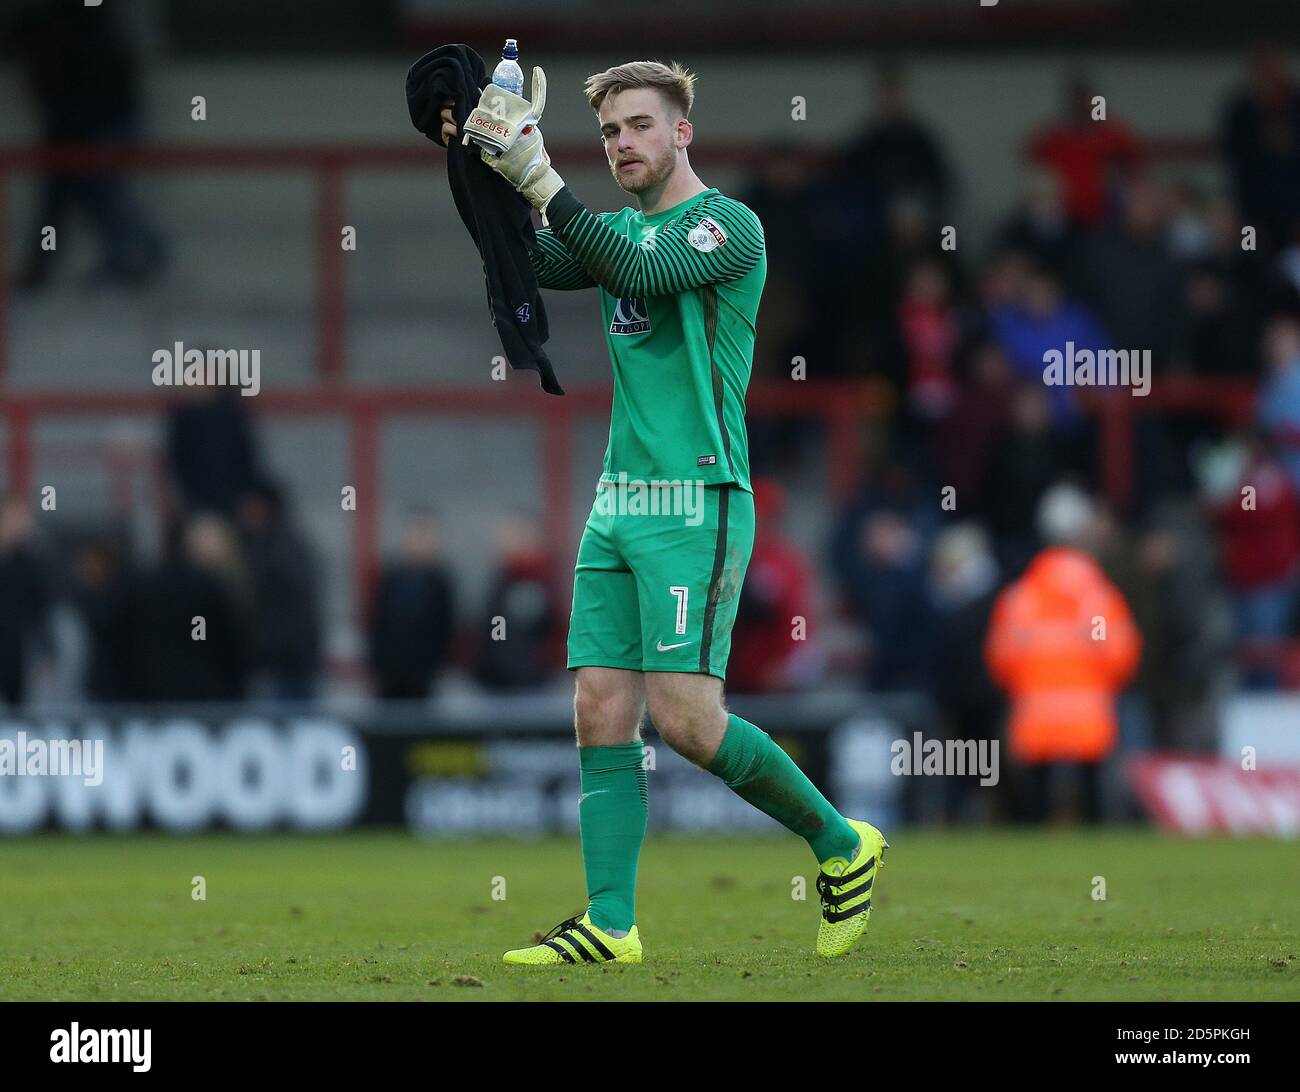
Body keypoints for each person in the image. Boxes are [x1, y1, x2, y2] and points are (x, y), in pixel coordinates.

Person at [440, 60, 887, 965]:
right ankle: (611, 924)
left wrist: (539, 176)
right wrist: (472, 162)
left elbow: (632, 264)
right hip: (619, 499)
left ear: (682, 131)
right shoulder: (609, 227)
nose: (623, 144)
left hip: (698, 496)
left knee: (686, 722)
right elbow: (526, 256)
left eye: (640, 125)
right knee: (598, 708)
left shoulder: (730, 226)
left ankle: (844, 845)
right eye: (608, 132)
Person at [367, 511, 455, 700]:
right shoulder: (392, 578)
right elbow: (378, 622)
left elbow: (446, 625)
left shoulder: (440, 582)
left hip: (424, 673)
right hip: (390, 672)